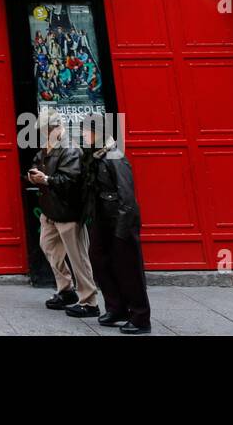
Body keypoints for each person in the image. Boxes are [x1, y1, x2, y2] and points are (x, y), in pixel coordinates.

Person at [80, 112, 151, 334]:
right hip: (102, 218)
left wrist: (122, 230)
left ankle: (140, 317)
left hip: (120, 220)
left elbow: (127, 196)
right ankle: (116, 308)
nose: (83, 135)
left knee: (128, 268)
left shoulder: (115, 156)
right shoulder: (96, 155)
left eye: (86, 130)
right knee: (98, 259)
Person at [27, 110, 99, 318]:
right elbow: (36, 164)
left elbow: (69, 181)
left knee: (78, 257)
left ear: (58, 127)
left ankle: (89, 301)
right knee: (50, 248)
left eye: (48, 129)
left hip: (69, 213)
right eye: (42, 130)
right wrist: (34, 176)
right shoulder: (47, 148)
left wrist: (46, 179)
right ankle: (66, 289)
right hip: (50, 210)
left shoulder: (70, 150)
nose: (45, 133)